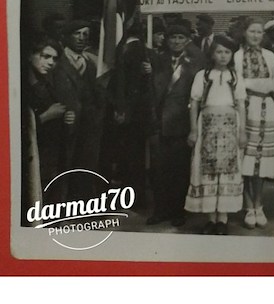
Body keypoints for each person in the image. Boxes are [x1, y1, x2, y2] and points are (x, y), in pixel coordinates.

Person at [185, 34, 247, 236]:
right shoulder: (203, 76)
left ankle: (223, 218)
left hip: (230, 126)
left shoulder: (235, 77)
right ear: (212, 54)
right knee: (207, 170)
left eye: (227, 52)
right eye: (219, 52)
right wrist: (194, 130)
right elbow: (194, 104)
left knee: (227, 171)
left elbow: (241, 105)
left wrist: (242, 131)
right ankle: (210, 217)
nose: (223, 56)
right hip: (207, 126)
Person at [147, 23, 204, 227]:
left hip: (182, 124)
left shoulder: (196, 63)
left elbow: (198, 96)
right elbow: (151, 92)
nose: (177, 41)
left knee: (180, 170)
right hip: (160, 123)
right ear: (167, 40)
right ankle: (160, 210)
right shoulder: (157, 60)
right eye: (173, 38)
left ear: (187, 40)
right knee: (158, 170)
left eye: (181, 37)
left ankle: (178, 210)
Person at [234, 17, 274, 229]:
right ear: (244, 32)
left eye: (259, 32)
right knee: (246, 158)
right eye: (252, 31)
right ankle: (248, 206)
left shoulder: (270, 56)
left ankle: (259, 204)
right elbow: (236, 87)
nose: (256, 35)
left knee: (262, 161)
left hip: (268, 109)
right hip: (246, 108)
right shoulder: (236, 56)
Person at [51, 20, 105, 201]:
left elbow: (99, 95)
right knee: (64, 166)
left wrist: (97, 116)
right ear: (67, 36)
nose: (81, 38)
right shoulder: (56, 62)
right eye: (77, 34)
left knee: (86, 166)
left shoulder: (91, 64)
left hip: (88, 127)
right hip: (64, 124)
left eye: (85, 34)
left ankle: (82, 205)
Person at [23, 34, 75, 209]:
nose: (51, 62)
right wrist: (47, 116)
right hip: (34, 156)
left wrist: (65, 117)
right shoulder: (23, 85)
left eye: (54, 58)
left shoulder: (46, 81)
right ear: (31, 55)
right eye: (45, 56)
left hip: (51, 153)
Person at [108, 19, 154, 208]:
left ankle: (130, 197)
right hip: (134, 112)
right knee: (134, 157)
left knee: (127, 157)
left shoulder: (126, 51)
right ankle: (135, 197)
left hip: (128, 112)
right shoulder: (140, 51)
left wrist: (121, 108)